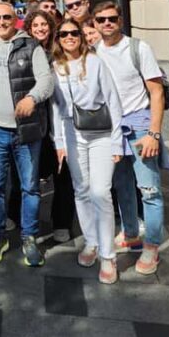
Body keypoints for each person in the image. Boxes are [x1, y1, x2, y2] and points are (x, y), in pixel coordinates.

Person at [94, 1, 167, 275]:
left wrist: (153, 133)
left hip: (139, 124)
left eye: (111, 18)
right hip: (111, 129)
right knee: (122, 185)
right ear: (94, 23)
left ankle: (152, 246)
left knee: (149, 189)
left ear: (120, 20)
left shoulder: (138, 48)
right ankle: (130, 233)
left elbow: (156, 92)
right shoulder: (94, 52)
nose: (106, 23)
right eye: (100, 20)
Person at [0, 3, 54, 268]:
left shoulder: (30, 46)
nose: (1, 21)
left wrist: (33, 98)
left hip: (26, 131)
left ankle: (29, 237)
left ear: (16, 19)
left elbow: (46, 80)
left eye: (6, 17)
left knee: (30, 187)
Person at [52, 20, 123, 283]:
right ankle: (91, 241)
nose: (69, 37)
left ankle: (108, 254)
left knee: (100, 193)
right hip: (72, 135)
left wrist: (117, 141)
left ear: (81, 36)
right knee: (81, 191)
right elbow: (56, 109)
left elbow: (113, 101)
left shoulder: (95, 62)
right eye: (64, 34)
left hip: (102, 135)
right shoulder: (56, 67)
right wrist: (59, 142)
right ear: (58, 38)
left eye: (74, 33)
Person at [19, 9, 76, 243]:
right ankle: (28, 223)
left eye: (44, 25)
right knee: (31, 176)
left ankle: (62, 222)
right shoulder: (23, 51)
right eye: (36, 25)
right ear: (29, 29)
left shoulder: (60, 52)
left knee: (63, 174)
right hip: (33, 123)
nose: (41, 29)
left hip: (59, 122)